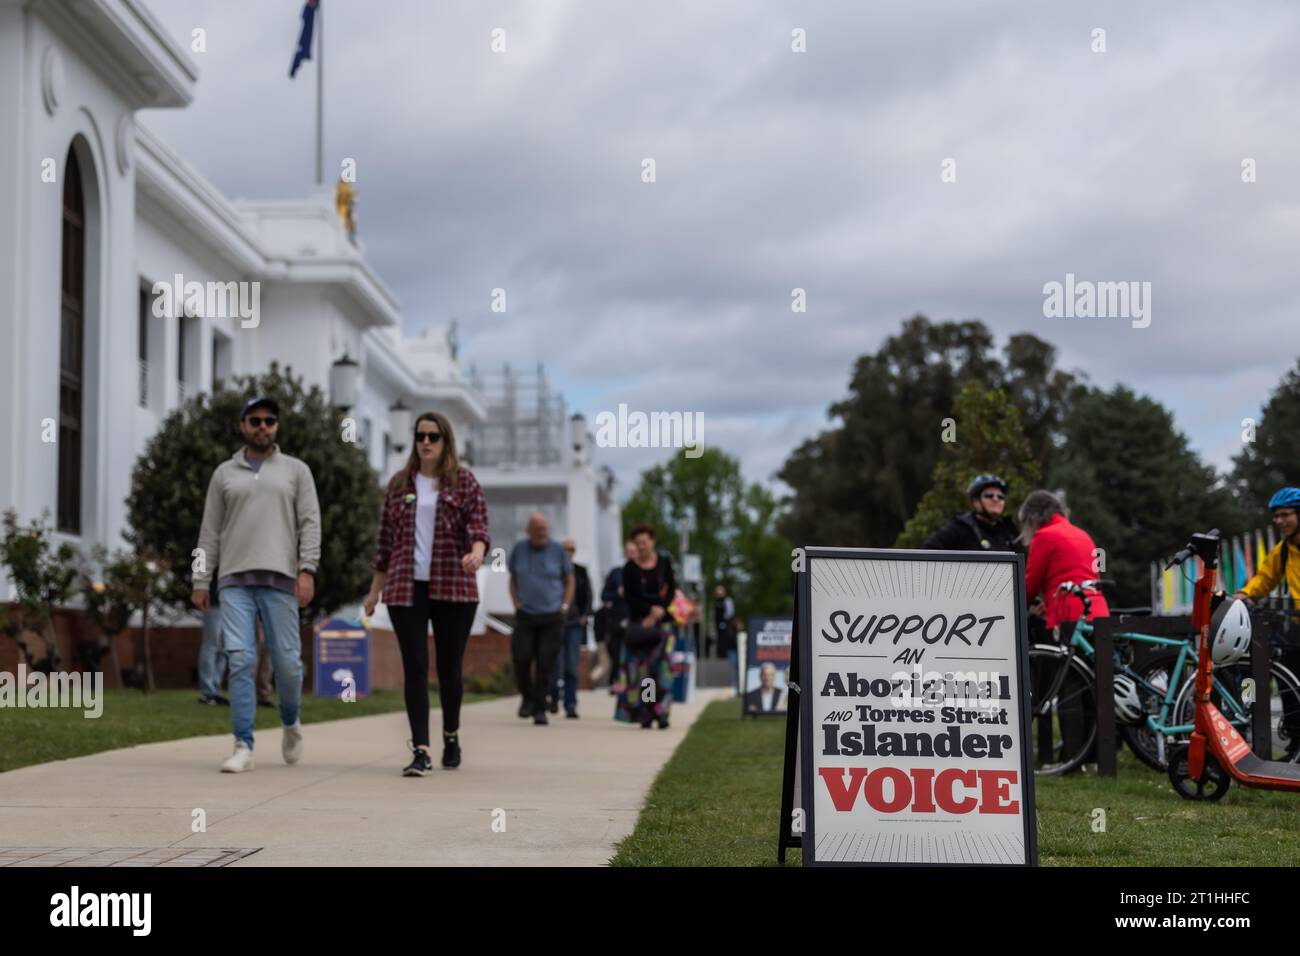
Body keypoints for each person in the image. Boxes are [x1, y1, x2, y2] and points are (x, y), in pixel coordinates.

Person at [192, 396, 321, 774]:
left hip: (281, 580)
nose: (262, 426)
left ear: (277, 426)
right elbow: (209, 532)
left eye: (269, 420)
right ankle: (243, 744)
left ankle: (291, 721)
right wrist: (201, 579)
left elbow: (310, 523)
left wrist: (307, 569)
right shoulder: (223, 474)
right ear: (243, 426)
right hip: (233, 582)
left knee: (288, 665)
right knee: (241, 658)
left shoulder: (296, 471)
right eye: (255, 420)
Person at [364, 411, 488, 776]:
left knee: (449, 670)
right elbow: (385, 542)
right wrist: (374, 592)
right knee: (415, 668)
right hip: (406, 588)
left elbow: (479, 524)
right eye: (421, 436)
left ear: (446, 441)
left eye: (434, 436)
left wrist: (477, 552)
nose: (426, 442)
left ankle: (451, 734)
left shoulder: (464, 482)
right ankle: (420, 749)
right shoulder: (400, 483)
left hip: (454, 585)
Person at [509, 513, 574, 725]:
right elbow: (513, 579)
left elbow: (569, 580)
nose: (541, 532)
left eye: (544, 528)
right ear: (528, 531)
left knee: (546, 663)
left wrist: (564, 606)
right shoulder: (519, 549)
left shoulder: (558, 551)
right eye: (537, 529)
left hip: (552, 616)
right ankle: (527, 697)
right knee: (521, 659)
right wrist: (516, 603)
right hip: (525, 615)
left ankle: (539, 708)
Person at [1020, 490, 1109, 631]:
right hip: (1098, 611)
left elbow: (1031, 585)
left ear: (1032, 519)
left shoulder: (1044, 536)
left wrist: (1013, 610)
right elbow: (1090, 577)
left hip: (1068, 614)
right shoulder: (1083, 534)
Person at [615, 524, 677, 729]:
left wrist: (659, 609)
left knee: (663, 670)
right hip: (640, 626)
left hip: (663, 626)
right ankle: (647, 711)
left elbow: (671, 591)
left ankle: (663, 712)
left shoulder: (664, 564)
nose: (641, 546)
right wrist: (649, 611)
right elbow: (630, 598)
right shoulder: (630, 569)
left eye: (644, 542)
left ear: (652, 541)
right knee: (645, 672)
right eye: (637, 543)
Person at [1233, 487, 1300, 606]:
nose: (1278, 520)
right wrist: (1245, 593)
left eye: (1284, 514)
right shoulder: (1283, 550)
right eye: (1276, 516)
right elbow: (1265, 578)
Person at [548, 538, 591, 718]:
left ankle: (571, 703)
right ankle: (553, 697)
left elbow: (588, 595)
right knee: (555, 664)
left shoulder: (580, 572)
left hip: (574, 624)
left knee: (571, 666)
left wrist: (584, 616)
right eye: (565, 549)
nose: (568, 552)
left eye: (572, 549)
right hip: (555, 623)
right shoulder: (552, 570)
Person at [924, 475, 1022, 552]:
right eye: (989, 495)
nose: (995, 499)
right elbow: (927, 553)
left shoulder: (1009, 533)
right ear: (976, 501)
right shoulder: (959, 529)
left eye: (1000, 496)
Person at [598, 541, 636, 692]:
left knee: (643, 660)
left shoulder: (646, 571)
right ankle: (618, 683)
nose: (633, 554)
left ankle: (648, 698)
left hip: (640, 621)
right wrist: (618, 593)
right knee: (617, 654)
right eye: (630, 551)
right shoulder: (617, 573)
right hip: (618, 620)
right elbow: (604, 595)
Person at [196, 597, 229, 706]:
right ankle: (207, 692)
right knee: (211, 645)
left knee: (224, 649)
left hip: (230, 604)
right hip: (213, 601)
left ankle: (215, 690)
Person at [714, 583, 737, 691]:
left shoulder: (727, 600)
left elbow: (729, 613)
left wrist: (724, 622)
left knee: (729, 652)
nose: (718, 592)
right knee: (721, 651)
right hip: (720, 631)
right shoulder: (716, 602)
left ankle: (732, 679)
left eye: (720, 590)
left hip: (727, 631)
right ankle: (722, 679)